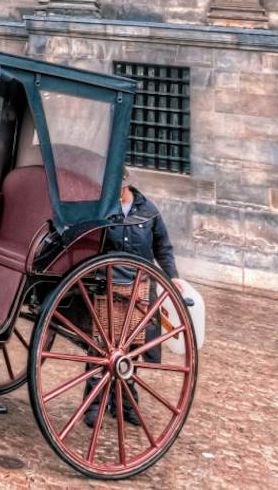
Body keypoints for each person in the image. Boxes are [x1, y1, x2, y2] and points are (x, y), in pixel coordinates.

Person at [85, 183, 182, 427]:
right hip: (108, 285)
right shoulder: (104, 208)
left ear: (125, 185)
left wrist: (173, 276)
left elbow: (163, 247)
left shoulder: (148, 211)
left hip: (137, 288)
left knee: (130, 348)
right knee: (100, 346)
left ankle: (125, 404)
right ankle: (94, 404)